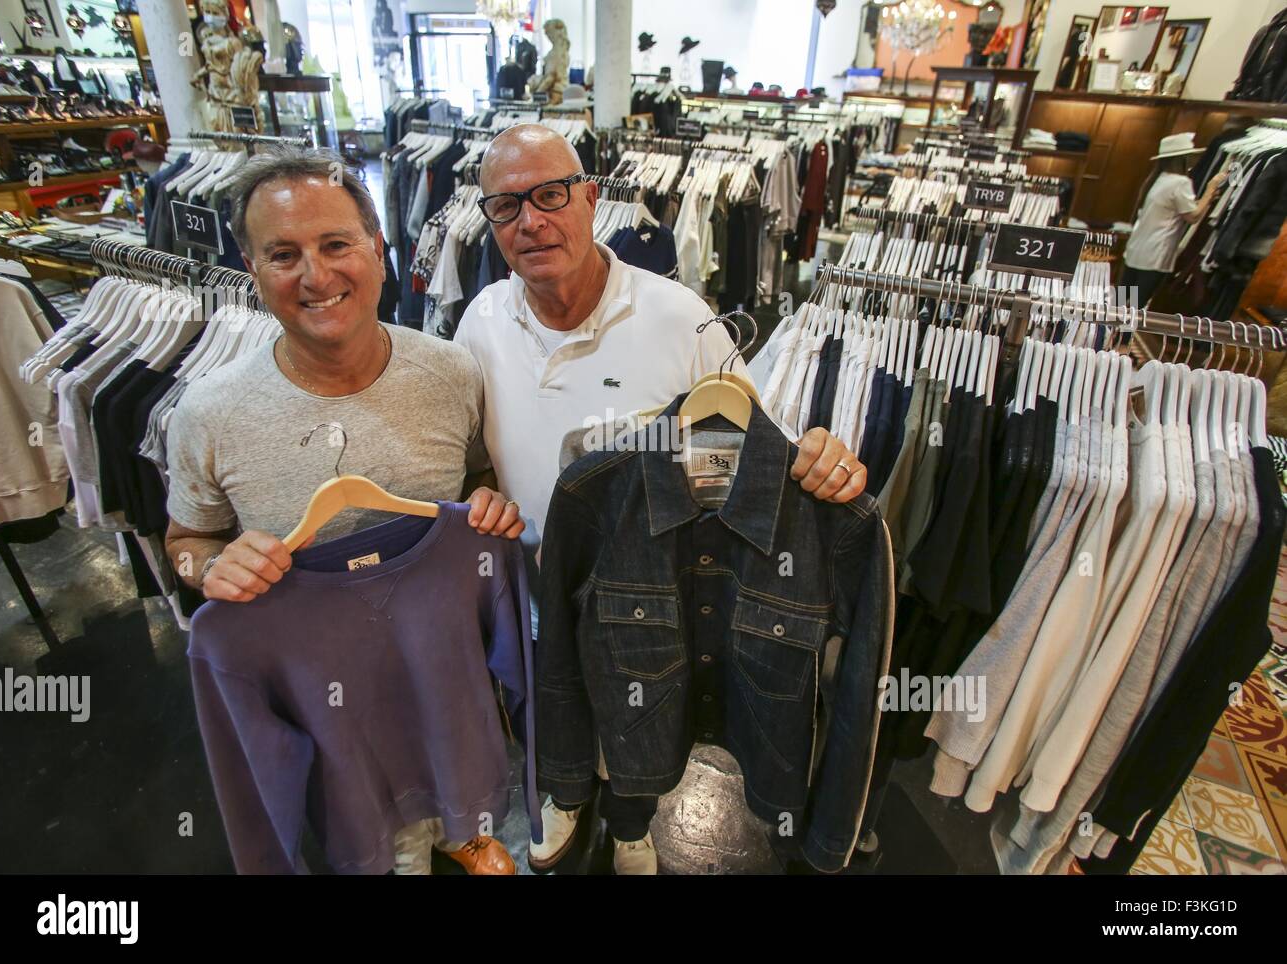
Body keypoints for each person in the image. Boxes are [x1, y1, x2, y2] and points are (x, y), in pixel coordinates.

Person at [454, 124, 869, 874]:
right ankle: (565, 795)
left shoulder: (681, 316)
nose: (531, 221)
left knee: (635, 712)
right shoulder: (481, 319)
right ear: (488, 220)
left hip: (642, 594)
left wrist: (817, 457)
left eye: (550, 195)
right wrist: (486, 496)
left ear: (589, 197)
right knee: (553, 708)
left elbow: (746, 445)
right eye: (507, 206)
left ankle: (632, 821)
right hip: (532, 588)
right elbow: (473, 456)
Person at [163, 147, 525, 876]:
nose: (317, 277)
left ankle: (462, 826)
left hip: (438, 685)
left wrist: (492, 507)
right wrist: (207, 565)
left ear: (378, 251)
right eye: (283, 255)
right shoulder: (208, 412)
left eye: (336, 245)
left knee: (457, 795)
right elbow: (183, 540)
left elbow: (482, 483)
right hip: (330, 718)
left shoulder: (452, 372)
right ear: (253, 270)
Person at [1121, 132, 1227, 308]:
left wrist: (1206, 200)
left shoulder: (1158, 179)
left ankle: (1107, 335)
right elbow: (1192, 216)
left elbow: (1180, 209)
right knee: (1135, 307)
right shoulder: (1180, 182)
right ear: (1183, 159)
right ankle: (1122, 337)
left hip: (1136, 250)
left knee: (1120, 303)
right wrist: (1210, 188)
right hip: (1155, 255)